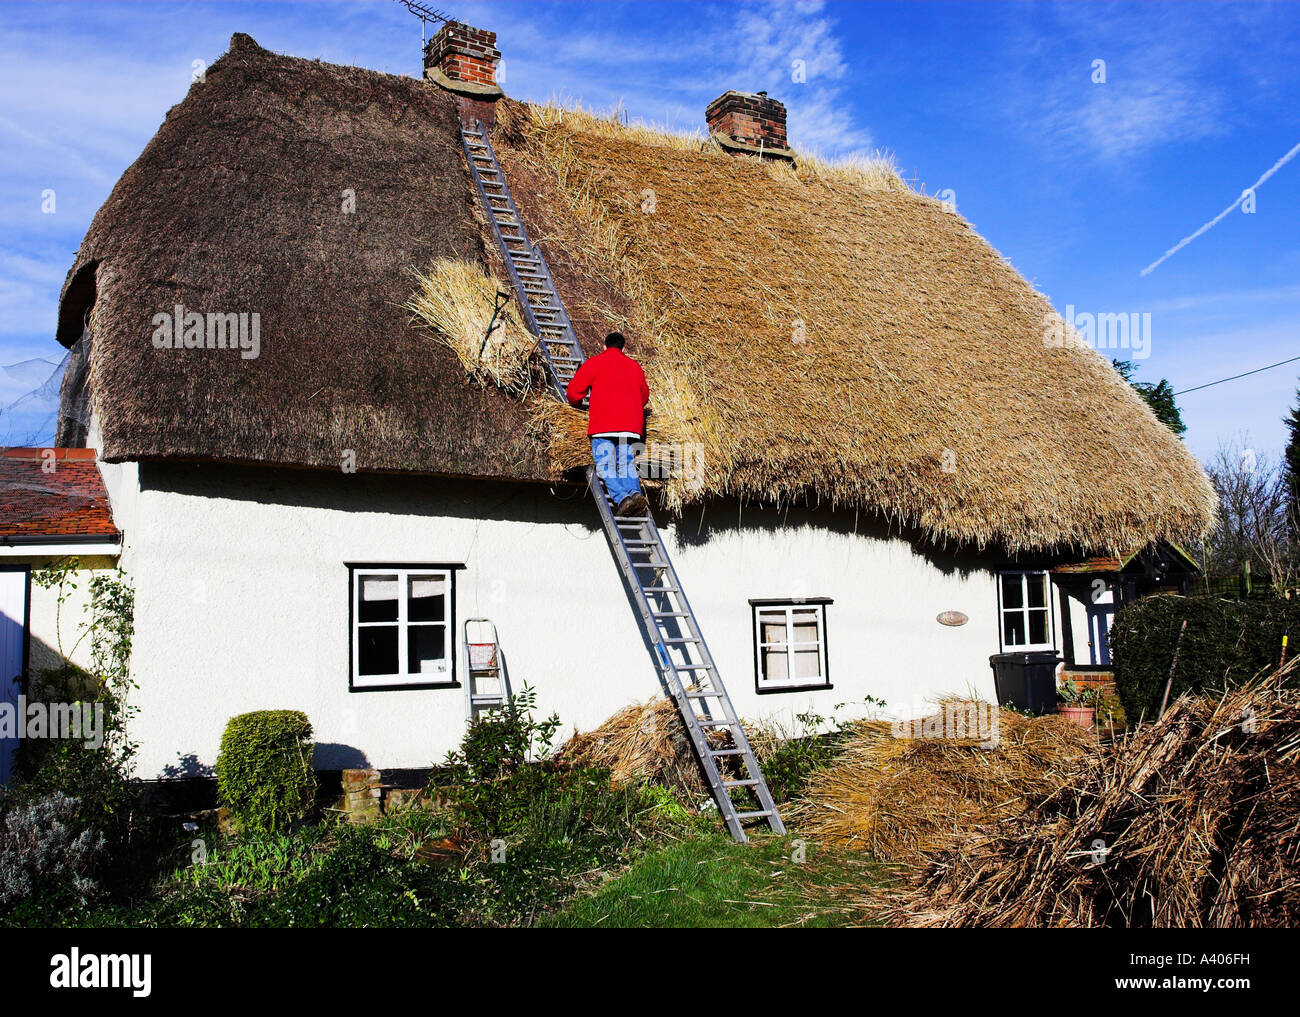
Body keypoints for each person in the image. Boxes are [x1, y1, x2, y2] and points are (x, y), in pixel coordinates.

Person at [565, 332, 650, 516]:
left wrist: (577, 404)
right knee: (626, 463)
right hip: (630, 427)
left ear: (604, 346)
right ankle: (635, 493)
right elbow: (644, 396)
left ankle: (622, 498)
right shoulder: (635, 367)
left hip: (604, 425)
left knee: (605, 465)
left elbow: (573, 392)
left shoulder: (594, 363)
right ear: (623, 348)